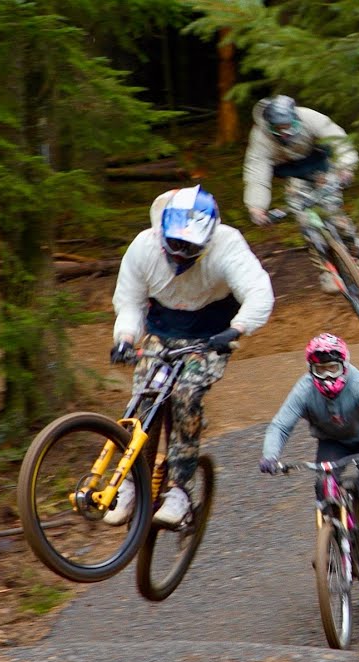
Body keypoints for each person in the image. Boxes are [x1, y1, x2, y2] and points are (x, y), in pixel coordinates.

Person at [107, 185, 275, 526]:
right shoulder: (143, 247)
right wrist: (125, 337)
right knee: (144, 399)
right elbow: (129, 301)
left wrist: (237, 329)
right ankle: (129, 482)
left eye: (191, 247)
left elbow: (258, 291)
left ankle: (180, 492)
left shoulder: (227, 243)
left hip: (210, 336)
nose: (181, 254)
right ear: (162, 230)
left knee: (185, 396)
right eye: (176, 244)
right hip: (161, 330)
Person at [258, 333, 359, 578]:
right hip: (333, 443)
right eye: (320, 369)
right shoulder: (303, 390)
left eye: (332, 368)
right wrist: (270, 456)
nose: (327, 376)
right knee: (322, 485)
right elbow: (280, 426)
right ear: (310, 369)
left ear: (344, 366)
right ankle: (332, 543)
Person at [242, 94, 359, 291]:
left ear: (295, 117)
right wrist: (257, 207)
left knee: (333, 212)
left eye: (289, 125)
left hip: (320, 167)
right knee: (305, 221)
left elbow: (338, 139)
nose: (286, 131)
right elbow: (256, 172)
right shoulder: (261, 137)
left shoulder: (309, 117)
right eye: (279, 128)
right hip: (293, 175)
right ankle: (326, 270)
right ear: (270, 125)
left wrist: (346, 167)